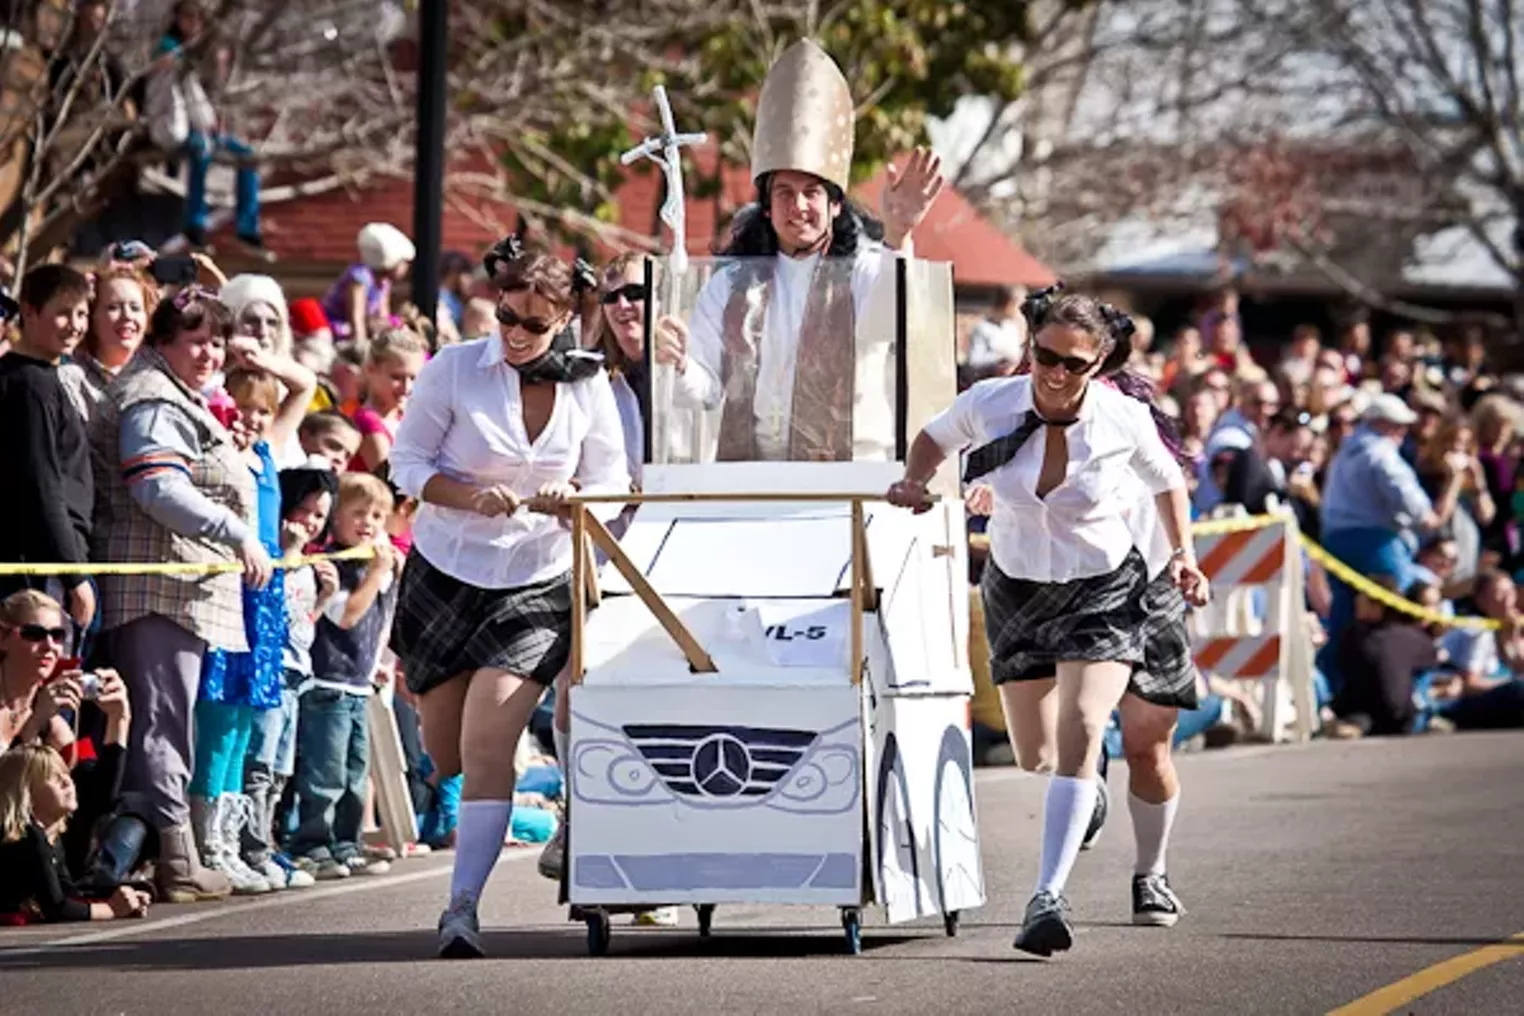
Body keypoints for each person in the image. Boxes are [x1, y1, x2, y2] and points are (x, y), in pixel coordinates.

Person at [886, 287, 1208, 957]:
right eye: (1046, 357)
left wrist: (1183, 556)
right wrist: (915, 483)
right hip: (1019, 586)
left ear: (1100, 365)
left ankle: (1051, 896)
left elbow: (1168, 482)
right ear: (1030, 348)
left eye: (1075, 364)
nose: (1057, 374)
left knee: (1090, 727)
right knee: (1039, 753)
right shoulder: (993, 405)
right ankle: (1083, 790)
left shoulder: (1122, 419)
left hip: (1105, 587)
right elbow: (932, 439)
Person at [389, 240, 630, 958]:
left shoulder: (589, 384)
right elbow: (406, 463)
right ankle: (490, 768)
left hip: (536, 578)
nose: (517, 333)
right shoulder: (455, 368)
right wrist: (468, 496)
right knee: (445, 754)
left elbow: (612, 487)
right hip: (445, 570)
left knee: (487, 738)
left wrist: (573, 502)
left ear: (565, 319)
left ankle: (461, 909)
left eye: (534, 322)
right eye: (508, 316)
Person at [667, 39, 943, 463]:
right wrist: (680, 362)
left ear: (835, 205)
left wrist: (900, 233)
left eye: (811, 193)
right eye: (784, 193)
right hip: (751, 478)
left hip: (847, 476)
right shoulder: (730, 284)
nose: (797, 207)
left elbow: (897, 322)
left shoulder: (863, 272)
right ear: (766, 204)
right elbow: (704, 394)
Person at [89, 287, 271, 903]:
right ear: (162, 341)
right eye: (195, 339)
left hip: (178, 585)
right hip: (155, 586)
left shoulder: (170, 393)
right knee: (162, 725)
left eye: (217, 341)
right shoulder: (151, 398)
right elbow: (156, 487)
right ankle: (177, 862)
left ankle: (151, 857)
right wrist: (235, 530)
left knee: (165, 722)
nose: (209, 352)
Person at [288, 473, 400, 880]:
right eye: (358, 513)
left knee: (356, 774)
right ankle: (311, 844)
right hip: (327, 685)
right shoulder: (334, 564)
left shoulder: (375, 565)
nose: (368, 523)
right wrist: (377, 573)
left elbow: (382, 621)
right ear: (335, 519)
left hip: (358, 685)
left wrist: (378, 666)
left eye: (377, 515)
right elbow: (348, 615)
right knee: (326, 773)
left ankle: (347, 844)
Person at [239, 461, 337, 891]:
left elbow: (301, 623)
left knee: (281, 769)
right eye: (305, 510)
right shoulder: (271, 552)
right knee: (258, 765)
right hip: (269, 672)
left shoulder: (308, 564)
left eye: (320, 515)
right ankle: (250, 846)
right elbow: (266, 613)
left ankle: (267, 840)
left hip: (299, 673)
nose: (311, 523)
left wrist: (326, 597)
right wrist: (290, 555)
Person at [0, 265, 96, 629]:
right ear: (29, 311)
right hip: (39, 569)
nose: (75, 325)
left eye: (82, 313)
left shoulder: (39, 377)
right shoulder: (30, 385)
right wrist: (74, 576)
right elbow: (41, 484)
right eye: (63, 312)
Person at [0, 744, 151, 924]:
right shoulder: (28, 837)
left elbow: (68, 892)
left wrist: (119, 897)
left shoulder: (51, 837)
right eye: (53, 777)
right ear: (26, 794)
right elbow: (56, 907)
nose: (67, 781)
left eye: (65, 773)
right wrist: (111, 909)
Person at [60, 266, 155, 424]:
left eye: (135, 308)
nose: (127, 316)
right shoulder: (70, 378)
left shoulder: (158, 376)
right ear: (92, 317)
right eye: (113, 307)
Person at [321, 224, 416, 346]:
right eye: (404, 262)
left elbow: (382, 316)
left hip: (359, 329)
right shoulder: (360, 277)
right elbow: (356, 317)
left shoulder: (384, 283)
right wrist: (360, 347)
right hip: (337, 329)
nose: (406, 268)